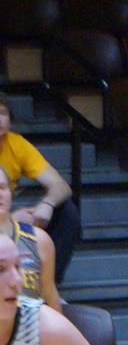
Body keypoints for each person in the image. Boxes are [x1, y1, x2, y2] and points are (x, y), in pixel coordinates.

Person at [0, 99, 79, 282]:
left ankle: (47, 285)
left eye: (3, 113)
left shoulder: (16, 144)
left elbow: (61, 186)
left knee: (66, 212)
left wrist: (47, 204)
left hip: (6, 212)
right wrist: (10, 220)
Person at [0, 171, 61, 309]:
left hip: (29, 326)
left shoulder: (39, 240)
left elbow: (49, 295)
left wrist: (59, 327)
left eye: (2, 188)